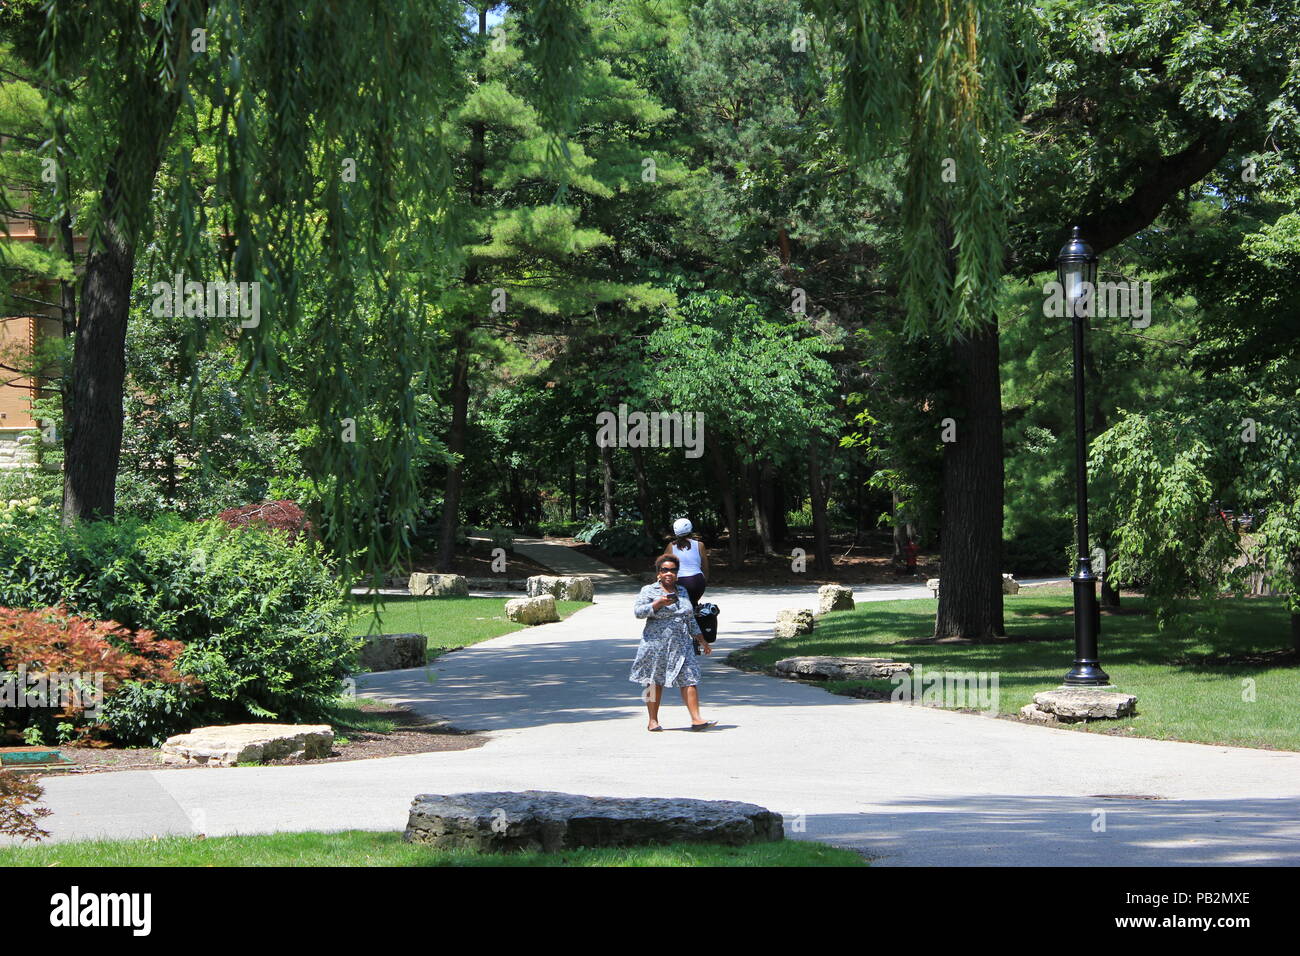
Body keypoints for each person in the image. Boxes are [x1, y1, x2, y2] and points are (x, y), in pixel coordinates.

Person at [630, 554, 716, 732]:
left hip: (681, 644)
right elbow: (638, 612)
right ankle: (652, 720)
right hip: (656, 644)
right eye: (665, 570)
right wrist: (657, 604)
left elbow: (690, 618)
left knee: (690, 678)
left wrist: (702, 641)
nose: (669, 573)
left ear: (677, 574)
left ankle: (697, 719)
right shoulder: (649, 590)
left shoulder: (682, 591)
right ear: (659, 573)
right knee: (653, 681)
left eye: (673, 570)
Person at [664, 517, 709, 609]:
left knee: (680, 608)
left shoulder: (671, 546)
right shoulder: (700, 545)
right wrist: (704, 581)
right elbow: (705, 567)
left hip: (680, 581)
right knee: (693, 604)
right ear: (690, 530)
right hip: (698, 581)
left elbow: (663, 566)